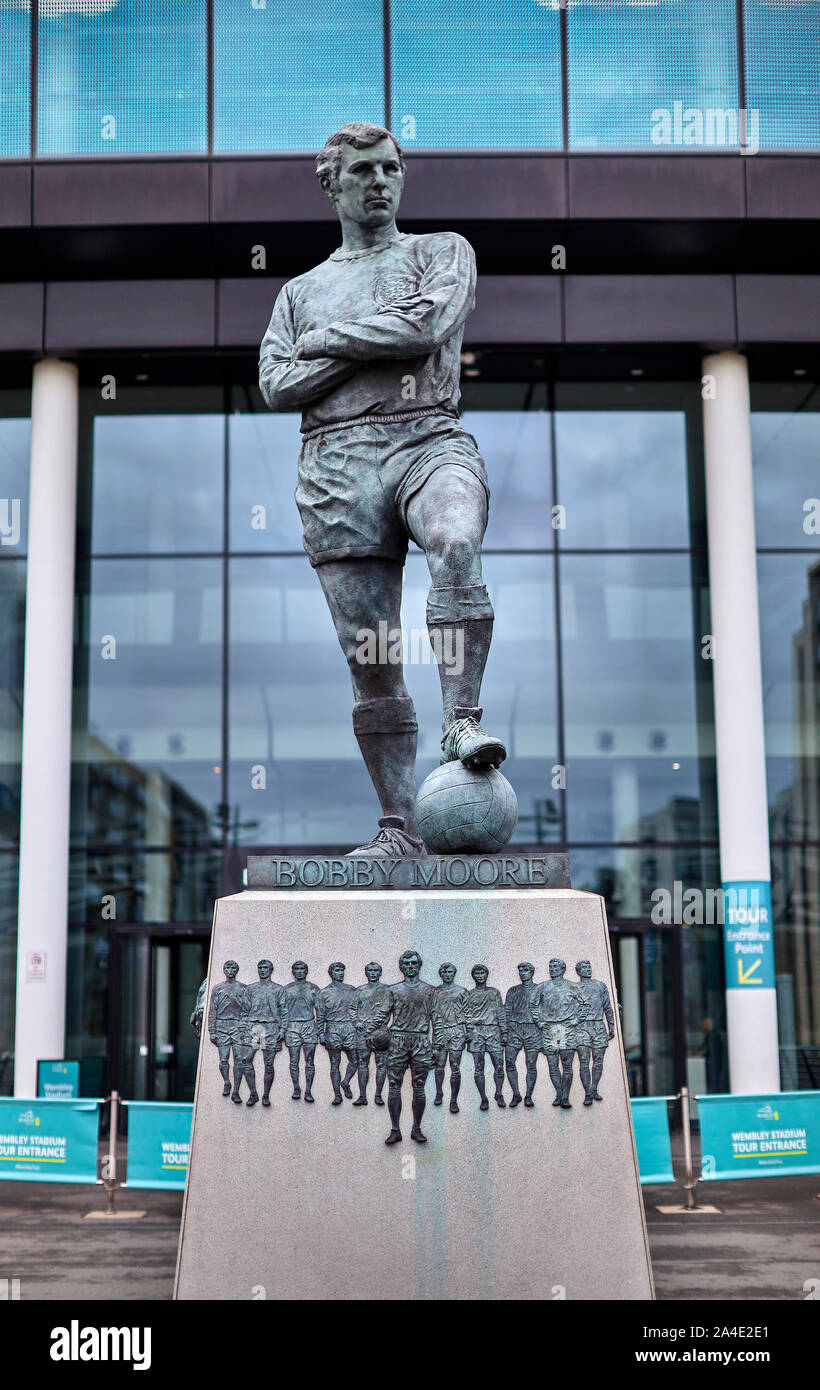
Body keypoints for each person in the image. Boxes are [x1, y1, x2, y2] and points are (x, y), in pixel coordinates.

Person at [259, 121, 505, 859]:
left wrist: (330, 341)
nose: (379, 181)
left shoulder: (441, 252)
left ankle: (461, 721)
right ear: (331, 183)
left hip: (428, 436)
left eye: (390, 168)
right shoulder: (298, 292)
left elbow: (427, 324)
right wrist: (371, 338)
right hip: (335, 466)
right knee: (374, 662)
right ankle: (399, 828)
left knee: (456, 540)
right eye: (362, 170)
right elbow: (277, 384)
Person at [373, 949, 435, 1145]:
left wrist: (438, 1045)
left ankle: (416, 1129)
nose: (410, 967)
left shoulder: (429, 990)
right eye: (406, 964)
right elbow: (381, 1015)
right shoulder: (393, 990)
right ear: (401, 967)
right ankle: (395, 1129)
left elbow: (437, 1019)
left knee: (419, 1086)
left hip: (421, 1040)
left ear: (419, 966)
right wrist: (373, 1034)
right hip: (398, 1040)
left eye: (413, 964)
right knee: (394, 1085)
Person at [530, 959, 580, 1109]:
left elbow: (584, 1004)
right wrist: (539, 1021)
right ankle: (559, 1094)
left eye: (555, 967)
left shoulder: (572, 986)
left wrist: (576, 1019)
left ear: (562, 969)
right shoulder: (543, 986)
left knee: (567, 1065)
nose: (552, 969)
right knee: (553, 1065)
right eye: (550, 967)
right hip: (550, 1028)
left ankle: (565, 1097)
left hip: (566, 1028)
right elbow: (533, 1005)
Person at [241, 959, 286, 1108]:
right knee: (247, 1060)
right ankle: (253, 1094)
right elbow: (244, 1011)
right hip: (255, 1028)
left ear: (271, 970)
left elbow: (284, 1012)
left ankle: (266, 1096)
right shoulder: (250, 989)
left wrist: (283, 1029)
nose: (262, 970)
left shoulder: (278, 989)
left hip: (271, 1028)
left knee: (268, 1063)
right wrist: (244, 1028)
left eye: (265, 967)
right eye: (260, 967)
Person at [463, 964, 507, 1110]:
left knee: (499, 1066)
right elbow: (466, 1014)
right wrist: (470, 1029)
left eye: (482, 973)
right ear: (473, 976)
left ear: (486, 975)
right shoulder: (469, 994)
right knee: (478, 1067)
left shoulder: (494, 992)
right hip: (477, 1033)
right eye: (477, 973)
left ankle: (499, 1093)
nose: (480, 976)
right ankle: (483, 1098)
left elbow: (501, 1012)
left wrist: (504, 1032)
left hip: (493, 1031)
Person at [573, 960, 615, 1106]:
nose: (588, 969)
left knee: (598, 1060)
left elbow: (608, 1008)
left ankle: (594, 1089)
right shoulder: (574, 988)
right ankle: (587, 1093)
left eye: (589, 966)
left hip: (598, 1025)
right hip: (582, 1027)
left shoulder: (600, 985)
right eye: (584, 967)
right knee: (584, 1061)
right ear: (578, 972)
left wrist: (611, 1027)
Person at [316, 962, 359, 1105]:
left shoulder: (352, 990)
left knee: (355, 1060)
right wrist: (321, 1034)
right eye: (337, 970)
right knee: (334, 1063)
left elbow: (358, 1011)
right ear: (331, 973)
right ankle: (337, 1095)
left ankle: (345, 1081)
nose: (340, 972)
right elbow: (320, 1015)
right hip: (333, 1028)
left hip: (349, 1027)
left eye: (342, 970)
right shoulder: (324, 993)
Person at [208, 961, 248, 1104]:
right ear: (224, 970)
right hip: (222, 1026)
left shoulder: (244, 988)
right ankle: (226, 1081)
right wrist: (212, 1030)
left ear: (237, 970)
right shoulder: (217, 988)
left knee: (238, 1059)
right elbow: (212, 1010)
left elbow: (247, 1009)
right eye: (227, 968)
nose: (230, 970)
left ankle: (236, 1091)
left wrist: (244, 1027)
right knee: (224, 1058)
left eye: (233, 968)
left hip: (237, 1026)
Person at [351, 961, 391, 1106]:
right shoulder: (359, 990)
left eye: (375, 971)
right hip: (362, 1032)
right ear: (366, 973)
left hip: (381, 1033)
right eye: (370, 971)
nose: (373, 973)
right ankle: (362, 1096)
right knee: (362, 1063)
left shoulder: (387, 990)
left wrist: (374, 1028)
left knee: (381, 1064)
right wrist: (356, 1022)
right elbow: (352, 1008)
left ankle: (378, 1095)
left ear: (380, 973)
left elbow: (386, 1010)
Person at [281, 961, 321, 1103]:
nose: (299, 971)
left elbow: (320, 1011)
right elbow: (282, 1011)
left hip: (309, 1025)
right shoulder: (286, 989)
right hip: (292, 1026)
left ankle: (308, 1090)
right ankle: (296, 1088)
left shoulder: (313, 988)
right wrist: (282, 1029)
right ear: (293, 971)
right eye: (296, 969)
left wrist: (319, 1029)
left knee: (309, 1061)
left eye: (302, 969)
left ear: (306, 971)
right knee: (294, 1060)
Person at [431, 962, 468, 1114]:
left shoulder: (462, 991)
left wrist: (469, 1031)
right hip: (441, 1030)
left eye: (450, 972)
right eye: (444, 972)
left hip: (457, 1031)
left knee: (455, 1066)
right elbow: (433, 1012)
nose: (447, 974)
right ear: (441, 974)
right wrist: (437, 1030)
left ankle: (453, 1100)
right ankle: (439, 1092)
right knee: (439, 1065)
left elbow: (468, 1012)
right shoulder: (436, 991)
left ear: (454, 973)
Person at [504, 962, 540, 1108]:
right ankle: (516, 1094)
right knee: (510, 1062)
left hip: (532, 1030)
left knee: (531, 1064)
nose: (523, 973)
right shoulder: (513, 990)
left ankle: (528, 1096)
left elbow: (544, 1009)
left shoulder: (539, 989)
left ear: (531, 972)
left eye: (526, 970)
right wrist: (506, 1030)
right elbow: (507, 1010)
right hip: (515, 1029)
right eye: (520, 971)